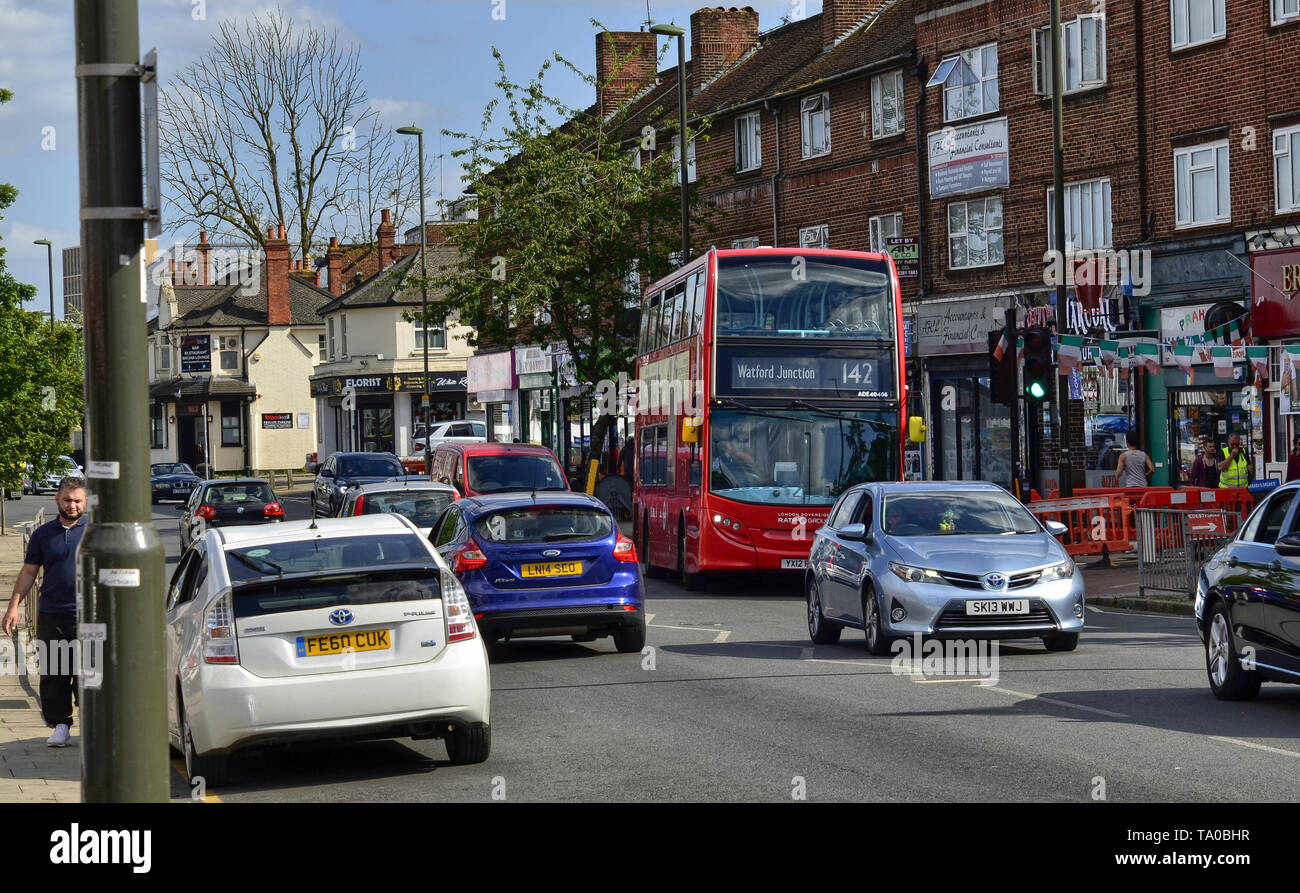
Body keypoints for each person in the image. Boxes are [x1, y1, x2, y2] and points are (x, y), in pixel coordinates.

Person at [2, 476, 88, 747]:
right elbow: (29, 572)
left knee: (90, 673)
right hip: (53, 613)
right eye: (67, 500)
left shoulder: (98, 532)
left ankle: (93, 724)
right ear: (57, 500)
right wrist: (13, 606)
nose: (72, 506)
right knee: (54, 672)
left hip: (92, 616)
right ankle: (60, 725)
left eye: (77, 501)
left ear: (85, 502)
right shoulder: (43, 534)